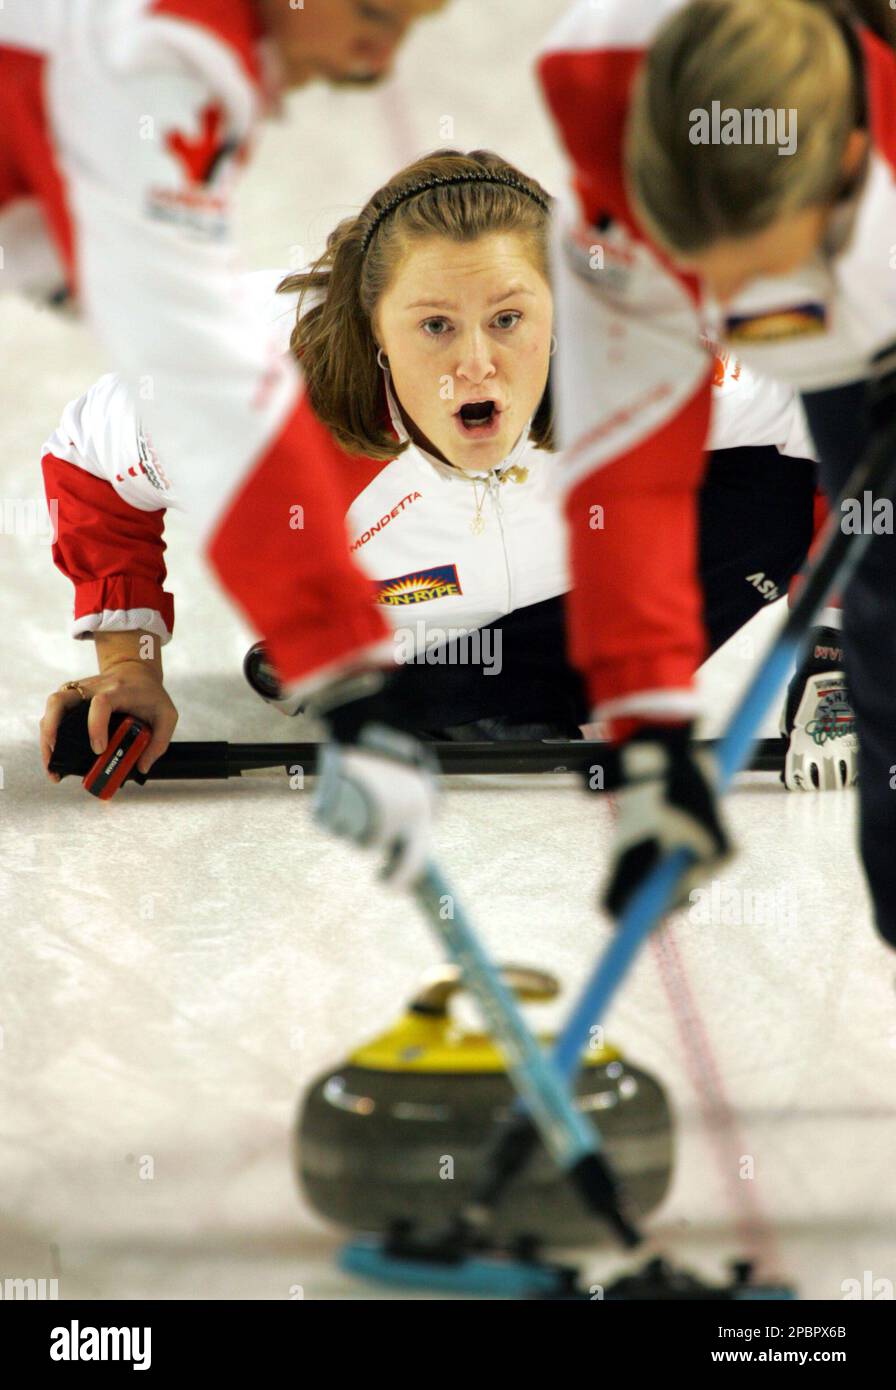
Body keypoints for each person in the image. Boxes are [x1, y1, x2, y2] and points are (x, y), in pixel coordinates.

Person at [40, 150, 846, 804]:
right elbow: (87, 462)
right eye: (434, 326)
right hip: (399, 570)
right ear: (373, 330)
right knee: (457, 696)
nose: (476, 365)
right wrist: (129, 666)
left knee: (784, 483)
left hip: (572, 555)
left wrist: (839, 649)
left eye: (508, 319)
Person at [2, 0, 448, 883]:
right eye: (371, 13)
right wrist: (350, 686)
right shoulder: (173, 59)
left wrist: (128, 661)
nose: (379, 55)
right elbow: (200, 391)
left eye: (407, 27)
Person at [536, 0, 896, 934]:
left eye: (766, 277)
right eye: (711, 283)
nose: (737, 318)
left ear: (849, 172)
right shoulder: (608, 193)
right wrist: (650, 743)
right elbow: (633, 487)